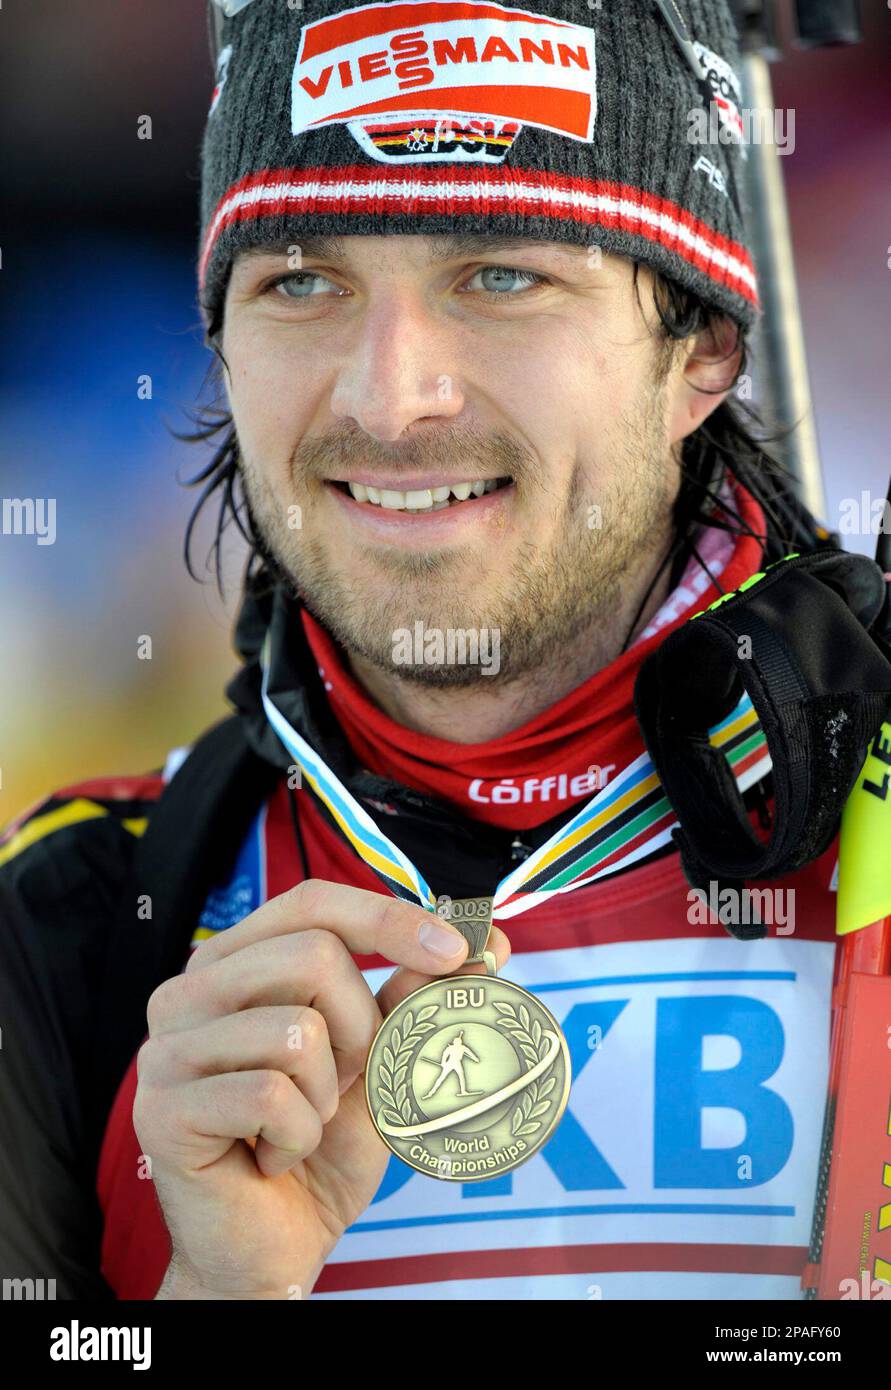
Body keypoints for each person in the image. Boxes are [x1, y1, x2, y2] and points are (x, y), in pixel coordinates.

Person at [0, 0, 849, 1301]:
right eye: (301, 280)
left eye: (501, 272)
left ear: (705, 348)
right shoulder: (69, 925)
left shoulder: (879, 848)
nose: (389, 398)